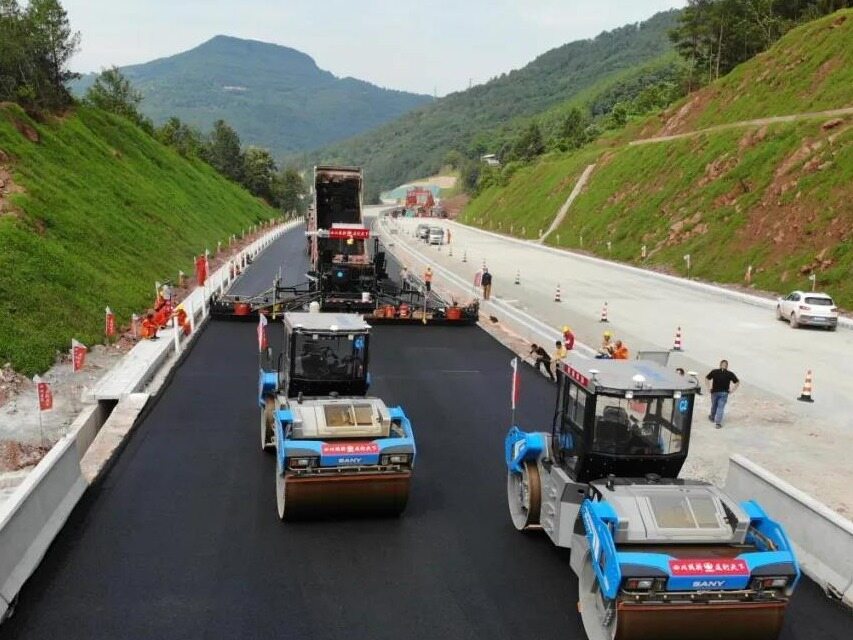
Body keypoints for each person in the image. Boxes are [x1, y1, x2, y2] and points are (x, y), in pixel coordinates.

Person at [705, 360, 740, 429]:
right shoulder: (730, 374)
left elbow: (707, 378)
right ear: (727, 366)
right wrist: (732, 390)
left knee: (714, 405)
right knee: (720, 408)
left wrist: (708, 387)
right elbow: (737, 382)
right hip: (724, 393)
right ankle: (718, 423)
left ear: (720, 365)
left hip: (714, 392)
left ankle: (712, 417)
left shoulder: (714, 371)